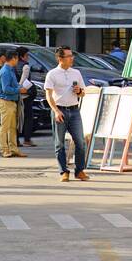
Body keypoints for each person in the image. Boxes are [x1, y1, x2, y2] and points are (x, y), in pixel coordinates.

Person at [43, 46, 90, 182]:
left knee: (80, 142)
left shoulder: (76, 73)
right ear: (60, 59)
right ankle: (63, 171)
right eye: (69, 56)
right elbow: (49, 95)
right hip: (60, 110)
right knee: (60, 143)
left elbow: (83, 93)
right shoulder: (52, 74)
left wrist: (79, 91)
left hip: (74, 110)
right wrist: (56, 111)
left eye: (72, 56)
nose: (71, 58)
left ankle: (80, 170)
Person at [0, 49, 26, 158]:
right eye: (17, 58)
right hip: (6, 101)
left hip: (12, 102)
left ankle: (13, 149)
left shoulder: (10, 70)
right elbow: (5, 89)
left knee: (12, 127)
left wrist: (20, 87)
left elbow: (13, 85)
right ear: (13, 58)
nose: (18, 60)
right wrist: (19, 90)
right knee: (4, 127)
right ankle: (4, 149)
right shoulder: (5, 71)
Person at [16, 46, 36, 147]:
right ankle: (27, 140)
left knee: (17, 118)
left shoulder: (14, 64)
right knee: (28, 117)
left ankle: (16, 140)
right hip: (24, 95)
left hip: (15, 95)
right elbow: (23, 81)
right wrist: (20, 89)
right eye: (27, 55)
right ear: (22, 56)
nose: (28, 57)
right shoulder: (26, 66)